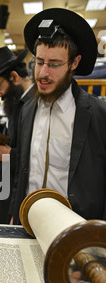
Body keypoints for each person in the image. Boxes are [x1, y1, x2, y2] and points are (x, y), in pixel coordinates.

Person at [11, 8, 106, 224]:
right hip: (28, 226)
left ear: (74, 63)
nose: (43, 73)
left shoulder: (98, 116)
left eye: (54, 64)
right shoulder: (25, 109)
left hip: (76, 231)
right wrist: (14, 215)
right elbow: (22, 172)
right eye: (39, 62)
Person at [0, 46, 34, 224]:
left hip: (18, 195)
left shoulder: (35, 105)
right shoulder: (15, 101)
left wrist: (9, 154)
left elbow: (38, 158)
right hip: (5, 187)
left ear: (14, 77)